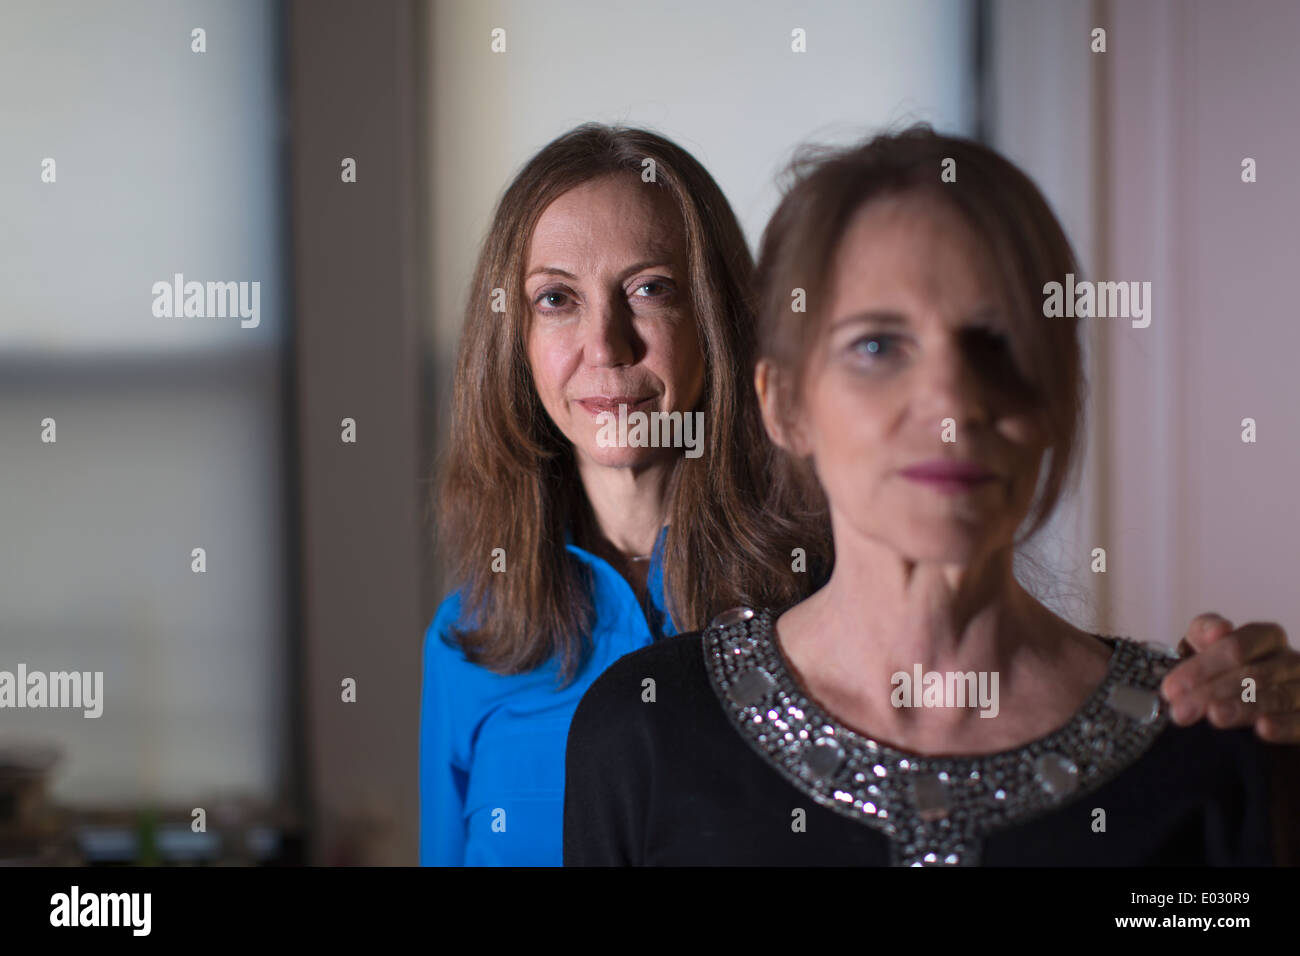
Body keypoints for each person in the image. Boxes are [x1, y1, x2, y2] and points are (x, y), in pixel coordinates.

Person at [425, 124, 1300, 868]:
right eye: (554, 300)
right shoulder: (486, 643)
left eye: (651, 287)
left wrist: (1266, 755)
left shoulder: (841, 569)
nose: (949, 403)